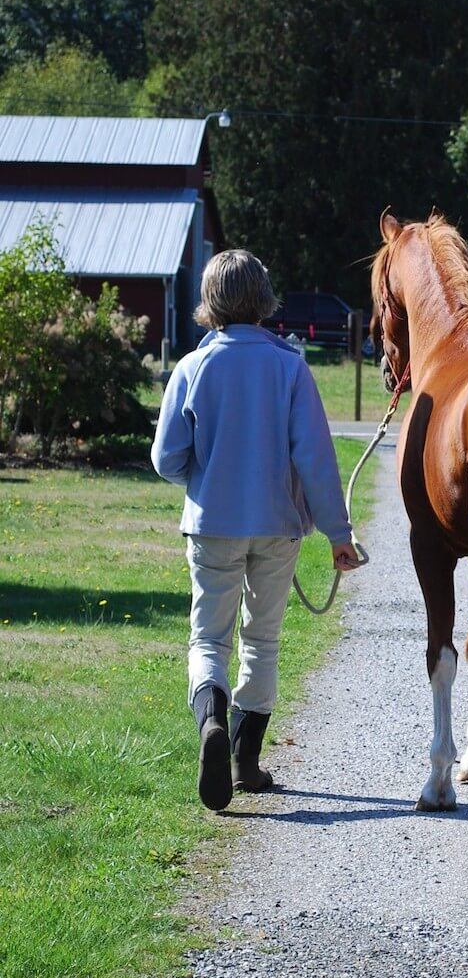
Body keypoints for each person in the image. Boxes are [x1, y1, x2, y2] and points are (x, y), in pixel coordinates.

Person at [151, 249, 360, 812]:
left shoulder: (192, 368)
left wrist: (202, 465)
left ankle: (211, 723)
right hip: (276, 527)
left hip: (212, 525)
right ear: (265, 299)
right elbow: (314, 458)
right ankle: (245, 761)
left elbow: (167, 459)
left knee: (208, 639)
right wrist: (338, 534)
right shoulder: (290, 365)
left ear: (209, 300)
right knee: (261, 640)